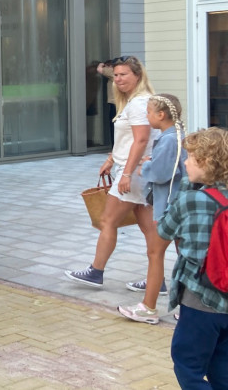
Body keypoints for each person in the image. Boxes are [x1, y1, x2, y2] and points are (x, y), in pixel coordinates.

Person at [66, 56, 161, 291]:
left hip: (134, 173)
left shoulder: (139, 103)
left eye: (123, 74)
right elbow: (130, 139)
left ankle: (95, 272)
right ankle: (158, 282)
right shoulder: (138, 101)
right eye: (115, 75)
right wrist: (111, 158)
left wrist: (126, 174)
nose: (118, 79)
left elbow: (141, 140)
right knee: (149, 228)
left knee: (108, 220)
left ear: (137, 76)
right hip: (140, 171)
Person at [155, 127, 228, 387]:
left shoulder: (191, 200)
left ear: (206, 163)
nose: (185, 162)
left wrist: (187, 186)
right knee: (222, 368)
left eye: (190, 157)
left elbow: (164, 229)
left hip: (201, 299)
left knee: (188, 366)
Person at [118, 94, 187, 324]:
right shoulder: (175, 135)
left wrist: (146, 166)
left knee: (155, 253)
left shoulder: (168, 139)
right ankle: (189, 310)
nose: (146, 117)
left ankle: (148, 308)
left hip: (168, 206)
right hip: (178, 204)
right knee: (184, 256)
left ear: (161, 115)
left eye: (148, 113)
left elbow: (161, 174)